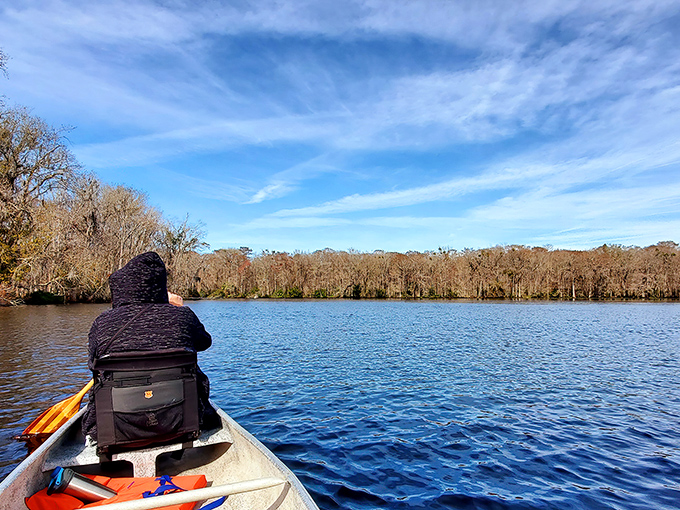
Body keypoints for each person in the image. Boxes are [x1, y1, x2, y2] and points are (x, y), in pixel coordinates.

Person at [82, 251, 219, 440]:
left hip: (115, 429)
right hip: (183, 422)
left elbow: (92, 364)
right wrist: (178, 309)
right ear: (159, 288)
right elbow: (204, 342)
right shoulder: (183, 315)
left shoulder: (102, 322)